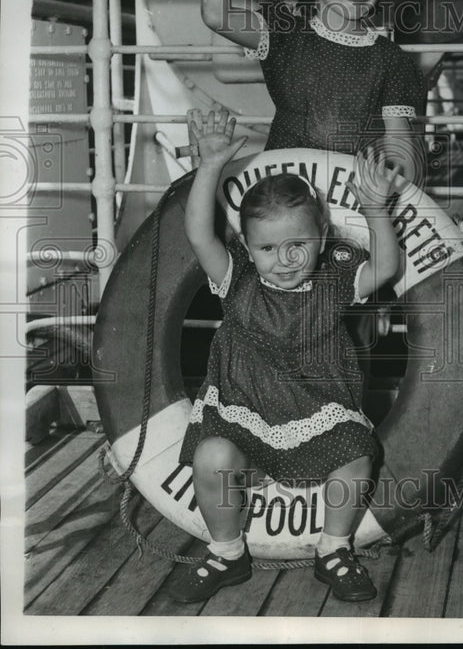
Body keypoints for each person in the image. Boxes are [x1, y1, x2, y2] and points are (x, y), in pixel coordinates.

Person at [170, 110, 403, 604]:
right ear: (249, 249)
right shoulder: (236, 281)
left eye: (298, 243)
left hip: (317, 413)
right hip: (245, 417)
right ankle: (227, 552)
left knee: (358, 455)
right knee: (212, 457)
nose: (286, 258)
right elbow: (198, 235)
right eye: (269, 247)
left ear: (321, 236)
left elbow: (384, 266)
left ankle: (334, 550)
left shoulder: (337, 279)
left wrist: (375, 207)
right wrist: (208, 166)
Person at [201, 0, 425, 169]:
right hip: (282, 196)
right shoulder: (283, 34)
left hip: (349, 199)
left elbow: (400, 150)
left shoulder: (391, 59)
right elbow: (216, 14)